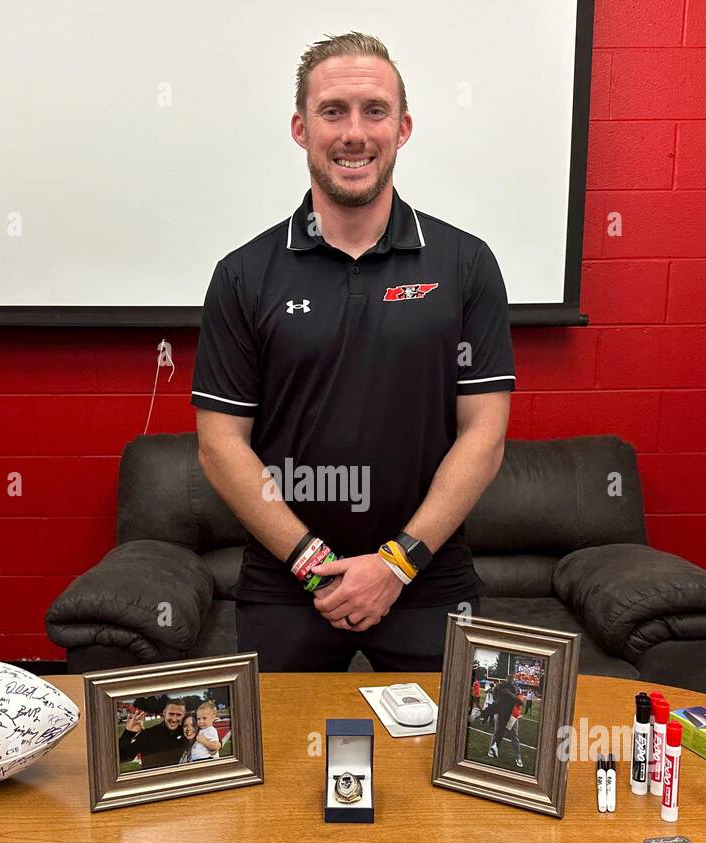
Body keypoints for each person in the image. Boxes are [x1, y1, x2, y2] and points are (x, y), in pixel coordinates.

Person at [192, 31, 514, 672]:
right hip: (288, 582)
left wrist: (396, 564)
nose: (354, 133)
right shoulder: (243, 275)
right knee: (277, 766)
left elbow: (484, 434)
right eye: (333, 111)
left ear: (403, 127)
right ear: (300, 127)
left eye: (374, 111)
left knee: (445, 768)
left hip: (428, 575)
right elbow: (220, 443)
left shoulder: (465, 264)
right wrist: (315, 567)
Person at [118, 701, 187, 770]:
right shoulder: (147, 734)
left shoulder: (187, 733)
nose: (174, 719)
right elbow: (122, 757)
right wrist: (128, 733)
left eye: (178, 715)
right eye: (171, 714)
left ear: (183, 715)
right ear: (164, 713)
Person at [484, 679, 525, 769]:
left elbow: (521, 701)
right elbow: (495, 697)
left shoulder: (516, 692)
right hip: (501, 713)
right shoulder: (501, 690)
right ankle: (491, 750)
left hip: (513, 716)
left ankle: (518, 757)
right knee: (496, 732)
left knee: (514, 737)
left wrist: (509, 694)